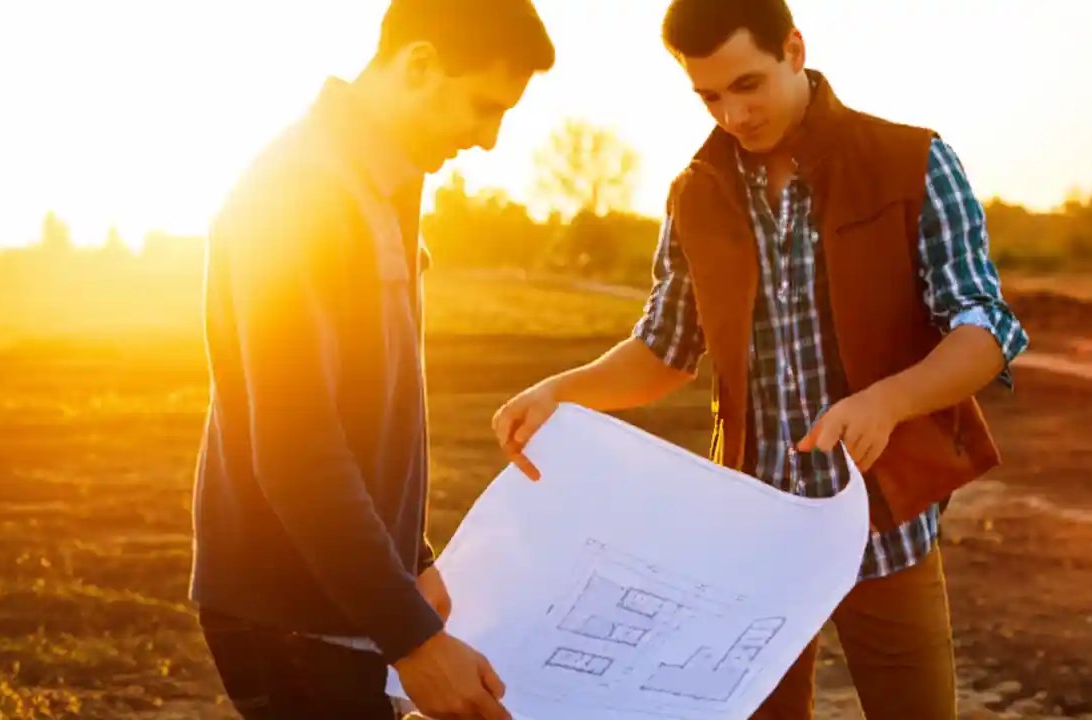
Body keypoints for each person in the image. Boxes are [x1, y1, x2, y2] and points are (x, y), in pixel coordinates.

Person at [491, 1, 1029, 718]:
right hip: (746, 543)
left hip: (885, 528)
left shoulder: (914, 161)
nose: (733, 114)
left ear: (795, 49)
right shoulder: (695, 195)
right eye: (710, 96)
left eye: (748, 85)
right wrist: (563, 389)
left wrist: (887, 401)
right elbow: (664, 350)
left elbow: (984, 329)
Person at [190, 1, 553, 718]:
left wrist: (411, 563)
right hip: (291, 610)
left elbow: (362, 412)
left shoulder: (379, 183)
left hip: (338, 600)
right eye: (483, 106)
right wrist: (414, 641)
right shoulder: (302, 192)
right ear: (418, 64)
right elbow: (297, 449)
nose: (488, 139)